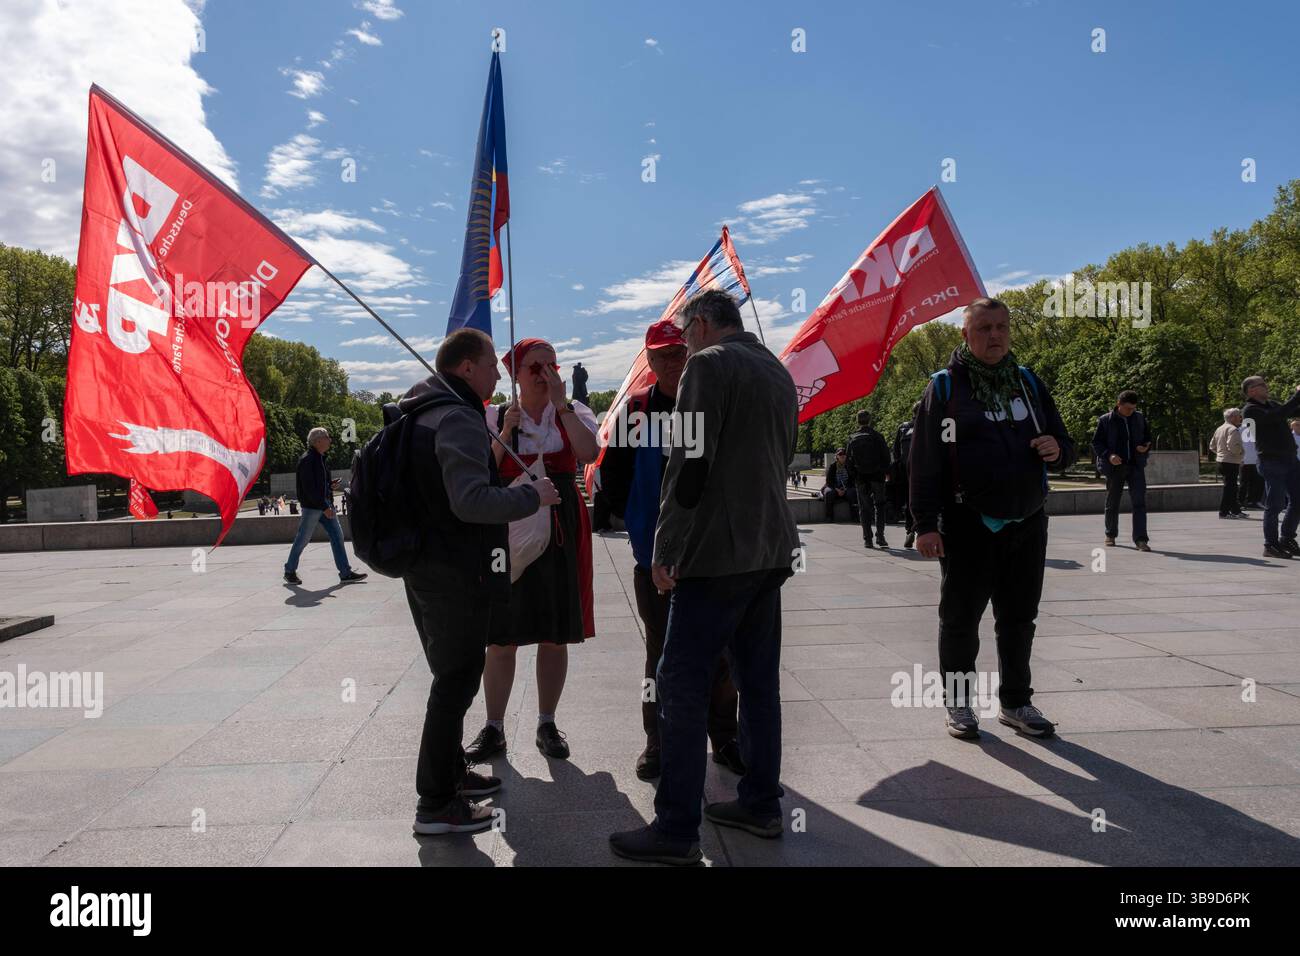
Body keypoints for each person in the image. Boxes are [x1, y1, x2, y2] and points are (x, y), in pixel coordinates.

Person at [609, 289, 799, 865]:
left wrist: (666, 548)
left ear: (704, 324)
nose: (683, 346)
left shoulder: (709, 366)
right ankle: (762, 802)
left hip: (716, 554)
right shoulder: (777, 369)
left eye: (687, 333)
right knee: (758, 683)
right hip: (770, 550)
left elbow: (689, 465)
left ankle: (675, 829)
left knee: (679, 685)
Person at [400, 328, 560, 835]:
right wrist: (533, 497)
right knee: (454, 684)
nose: (498, 371)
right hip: (454, 571)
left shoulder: (422, 410)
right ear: (466, 367)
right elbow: (470, 500)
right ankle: (437, 804)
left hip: (426, 564)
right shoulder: (459, 417)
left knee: (452, 677)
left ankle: (450, 775)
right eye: (491, 363)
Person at [910, 297, 1075, 741]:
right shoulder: (945, 388)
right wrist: (925, 523)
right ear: (965, 334)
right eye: (983, 328)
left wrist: (1057, 451)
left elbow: (1063, 439)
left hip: (1027, 521)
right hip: (967, 525)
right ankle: (960, 705)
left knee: (1020, 619)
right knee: (961, 621)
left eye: (1001, 326)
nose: (995, 335)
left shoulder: (1026, 382)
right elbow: (925, 461)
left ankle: (1016, 702)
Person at [599, 318, 743, 782]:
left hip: (711, 555)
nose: (671, 361)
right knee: (659, 654)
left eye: (678, 352)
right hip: (654, 559)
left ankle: (725, 739)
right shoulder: (635, 411)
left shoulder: (710, 400)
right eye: (661, 355)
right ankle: (656, 742)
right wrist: (643, 528)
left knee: (720, 653)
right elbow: (613, 482)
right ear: (649, 360)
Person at [464, 338, 599, 763]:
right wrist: (505, 432)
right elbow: (481, 469)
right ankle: (494, 727)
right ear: (516, 375)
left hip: (560, 523)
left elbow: (589, 453)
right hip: (510, 525)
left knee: (554, 634)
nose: (544, 373)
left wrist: (562, 405)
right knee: (501, 636)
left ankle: (546, 722)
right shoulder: (495, 416)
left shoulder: (574, 411)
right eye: (534, 367)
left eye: (550, 365)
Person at [283, 428, 368, 585]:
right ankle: (289, 570)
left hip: (323, 505)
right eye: (327, 437)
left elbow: (317, 485)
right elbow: (309, 488)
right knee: (303, 539)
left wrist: (329, 486)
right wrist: (324, 506)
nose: (330, 440)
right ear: (318, 441)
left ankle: (345, 572)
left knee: (337, 536)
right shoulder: (308, 460)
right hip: (314, 507)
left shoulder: (319, 458)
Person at [1241, 375, 1300, 559]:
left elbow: (1290, 410)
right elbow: (1277, 416)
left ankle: (1286, 538)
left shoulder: (1272, 404)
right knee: (1274, 505)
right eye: (1262, 384)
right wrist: (1297, 395)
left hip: (1290, 459)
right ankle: (1270, 545)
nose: (1267, 386)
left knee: (1298, 501)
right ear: (1251, 390)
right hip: (1271, 461)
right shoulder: (1250, 410)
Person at [1092, 390, 1153, 551]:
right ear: (1119, 404)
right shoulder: (1105, 420)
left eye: (1133, 408)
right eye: (1128, 408)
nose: (1131, 411)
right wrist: (1109, 455)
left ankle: (1141, 540)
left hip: (1136, 466)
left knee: (1139, 503)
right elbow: (1097, 443)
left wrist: (1144, 447)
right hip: (1115, 467)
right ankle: (1110, 534)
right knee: (1112, 502)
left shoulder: (1139, 418)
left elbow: (1148, 438)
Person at [846, 410, 891, 548]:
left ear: (857, 421)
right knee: (880, 506)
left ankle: (868, 539)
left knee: (864, 509)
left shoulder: (853, 438)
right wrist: (884, 472)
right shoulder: (877, 436)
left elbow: (848, 461)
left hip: (861, 478)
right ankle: (881, 536)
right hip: (877, 477)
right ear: (869, 420)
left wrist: (855, 475)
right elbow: (886, 457)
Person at [892, 403, 920, 548]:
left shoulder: (903, 427)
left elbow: (896, 451)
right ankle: (922, 530)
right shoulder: (928, 425)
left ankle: (910, 530)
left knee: (910, 501)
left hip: (906, 472)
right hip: (925, 471)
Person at [1209, 408, 1245, 519]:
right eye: (1239, 416)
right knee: (1230, 488)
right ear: (1232, 417)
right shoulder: (1233, 429)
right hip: (1230, 462)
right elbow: (1233, 447)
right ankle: (1223, 512)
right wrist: (1240, 454)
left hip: (1221, 461)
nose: (1240, 418)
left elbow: (1212, 446)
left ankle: (1235, 510)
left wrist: (1221, 454)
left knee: (1231, 487)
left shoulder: (1219, 429)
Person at [820, 448, 858, 522]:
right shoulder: (833, 466)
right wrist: (837, 489)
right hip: (834, 487)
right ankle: (829, 516)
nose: (842, 456)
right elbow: (829, 481)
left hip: (846, 488)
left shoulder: (849, 466)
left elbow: (852, 480)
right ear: (837, 456)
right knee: (829, 493)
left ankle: (855, 516)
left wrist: (845, 489)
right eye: (840, 454)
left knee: (853, 492)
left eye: (844, 454)